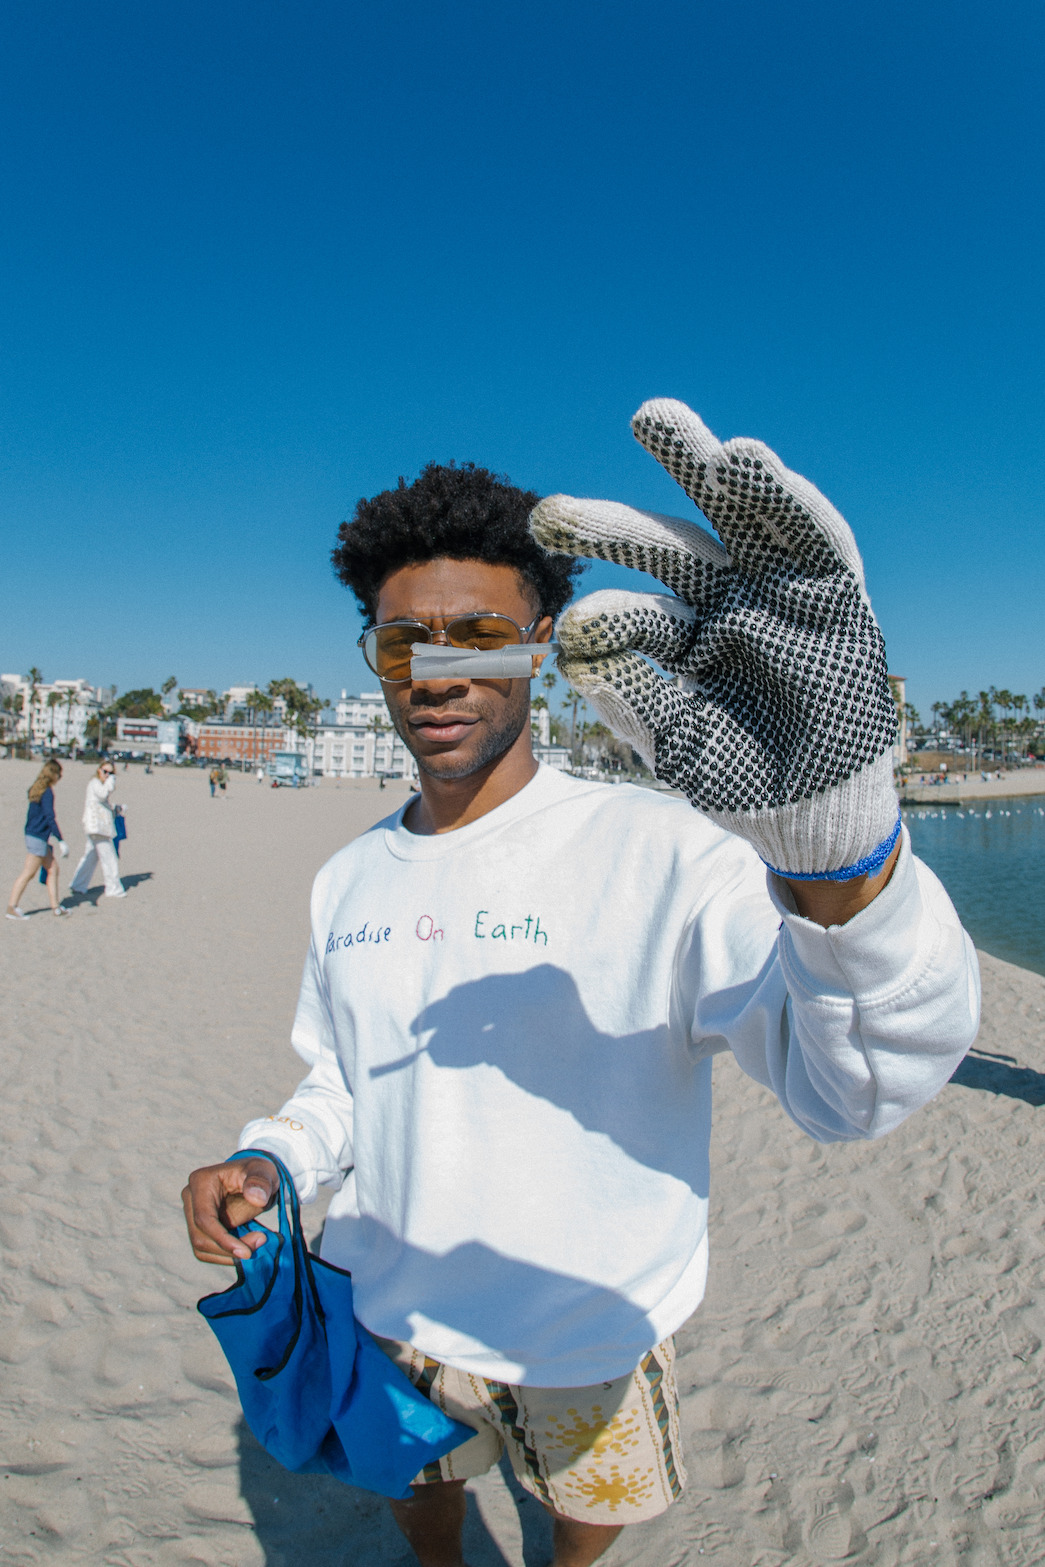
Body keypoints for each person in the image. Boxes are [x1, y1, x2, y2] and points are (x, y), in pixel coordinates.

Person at [183, 415, 980, 1567]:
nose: (437, 670)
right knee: (422, 1488)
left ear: (541, 641)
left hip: (594, 1325)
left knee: (586, 1509)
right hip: (390, 1310)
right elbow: (345, 1082)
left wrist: (841, 862)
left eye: (481, 634)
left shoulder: (665, 850)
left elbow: (850, 1088)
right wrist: (274, 1159)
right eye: (402, 639)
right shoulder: (347, 873)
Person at [6, 759, 70, 919]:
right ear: (53, 775)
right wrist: (60, 840)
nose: (59, 777)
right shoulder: (46, 792)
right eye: (58, 774)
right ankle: (11, 907)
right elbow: (50, 817)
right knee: (29, 873)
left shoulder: (36, 788)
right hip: (37, 837)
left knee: (53, 869)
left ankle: (56, 907)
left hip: (32, 834)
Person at [69, 761, 126, 900]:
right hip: (97, 828)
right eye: (105, 771)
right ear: (99, 770)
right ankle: (113, 888)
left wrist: (116, 808)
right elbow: (102, 795)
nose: (107, 775)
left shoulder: (99, 784)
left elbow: (102, 803)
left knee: (90, 857)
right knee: (109, 858)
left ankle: (78, 884)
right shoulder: (95, 783)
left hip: (98, 827)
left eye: (110, 773)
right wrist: (111, 781)